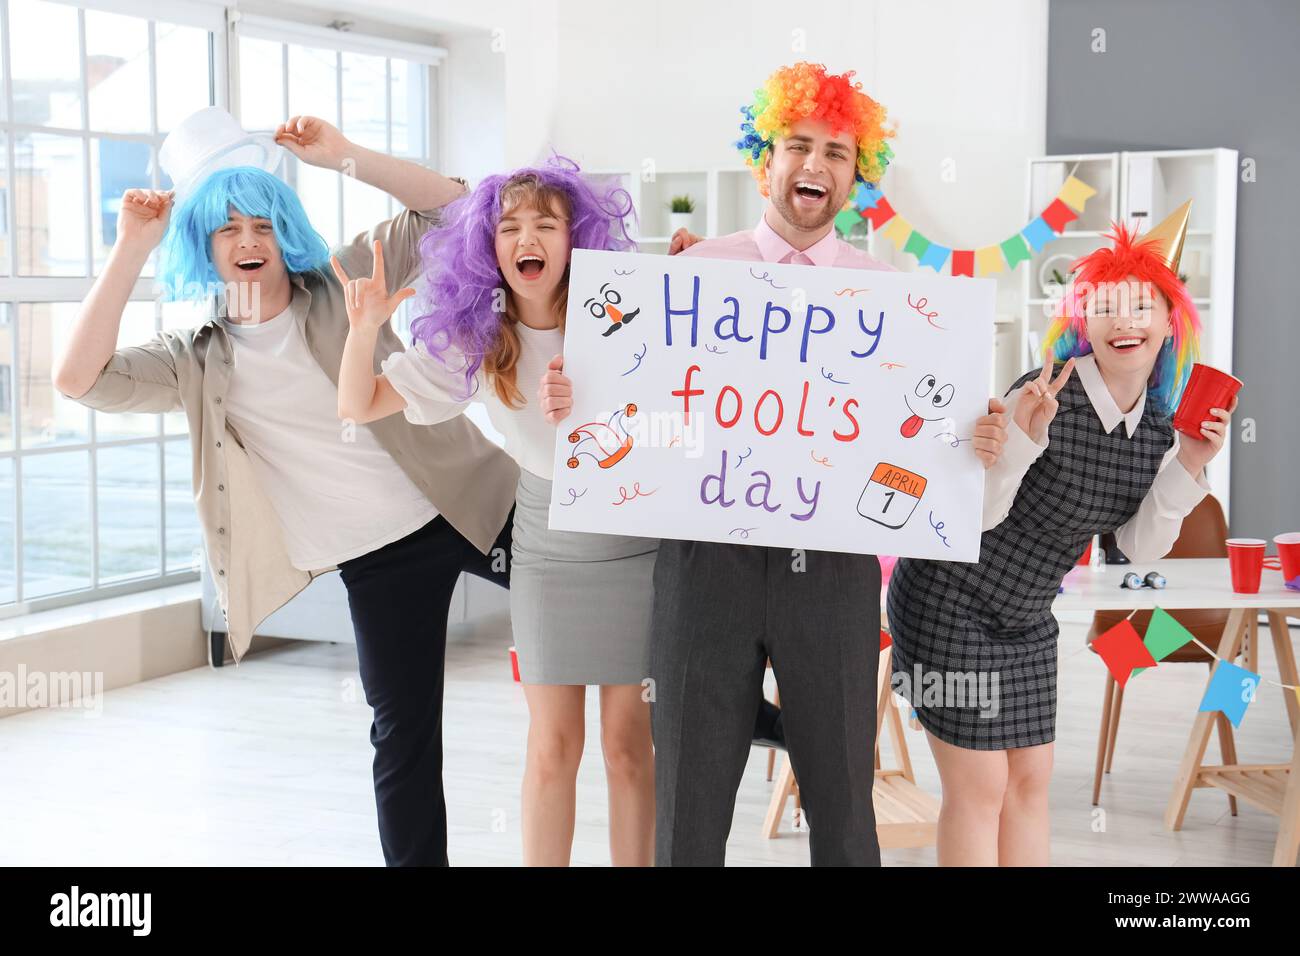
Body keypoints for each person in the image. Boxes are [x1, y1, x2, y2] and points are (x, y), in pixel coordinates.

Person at [541, 61, 1010, 866]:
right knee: (688, 802)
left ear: (854, 178)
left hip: (832, 573)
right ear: (766, 161)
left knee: (841, 805)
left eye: (836, 151)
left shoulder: (896, 298)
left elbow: (928, 433)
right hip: (703, 566)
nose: (816, 165)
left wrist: (979, 441)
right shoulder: (686, 274)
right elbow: (634, 414)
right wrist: (575, 400)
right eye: (799, 145)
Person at [51, 108, 518, 867]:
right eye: (227, 229)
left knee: (627, 615)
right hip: (373, 562)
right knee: (402, 742)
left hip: (470, 500)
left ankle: (752, 712)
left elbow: (457, 209)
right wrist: (130, 250)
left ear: (283, 235)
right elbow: (78, 379)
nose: (248, 243)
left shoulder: (340, 280)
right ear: (203, 248)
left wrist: (347, 156)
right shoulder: (193, 359)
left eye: (262, 226)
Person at [885, 206, 1234, 865]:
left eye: (1142, 306)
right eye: (1105, 306)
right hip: (946, 601)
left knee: (1032, 780)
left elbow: (1136, 547)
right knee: (982, 784)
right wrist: (1024, 439)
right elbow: (976, 518)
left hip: (1024, 618)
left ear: (1170, 322)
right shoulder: (1044, 393)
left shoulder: (1160, 424)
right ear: (1083, 321)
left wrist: (1190, 463)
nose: (1124, 320)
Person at [334, 158, 657, 866]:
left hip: (635, 540)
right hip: (545, 541)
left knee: (630, 746)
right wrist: (365, 329)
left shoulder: (624, 315)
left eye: (546, 222)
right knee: (551, 747)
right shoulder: (477, 338)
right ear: (489, 246)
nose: (526, 237)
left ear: (579, 239)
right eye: (509, 226)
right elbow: (357, 406)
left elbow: (671, 413)